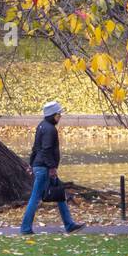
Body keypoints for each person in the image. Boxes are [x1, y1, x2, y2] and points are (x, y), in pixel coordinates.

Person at [20, 100, 85, 234]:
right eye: (58, 114)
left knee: (59, 194)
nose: (60, 116)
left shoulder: (41, 126)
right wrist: (52, 168)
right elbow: (46, 150)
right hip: (45, 168)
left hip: (41, 166)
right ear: (52, 115)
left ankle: (69, 224)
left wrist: (31, 164)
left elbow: (35, 148)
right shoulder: (50, 129)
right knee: (35, 198)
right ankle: (25, 228)